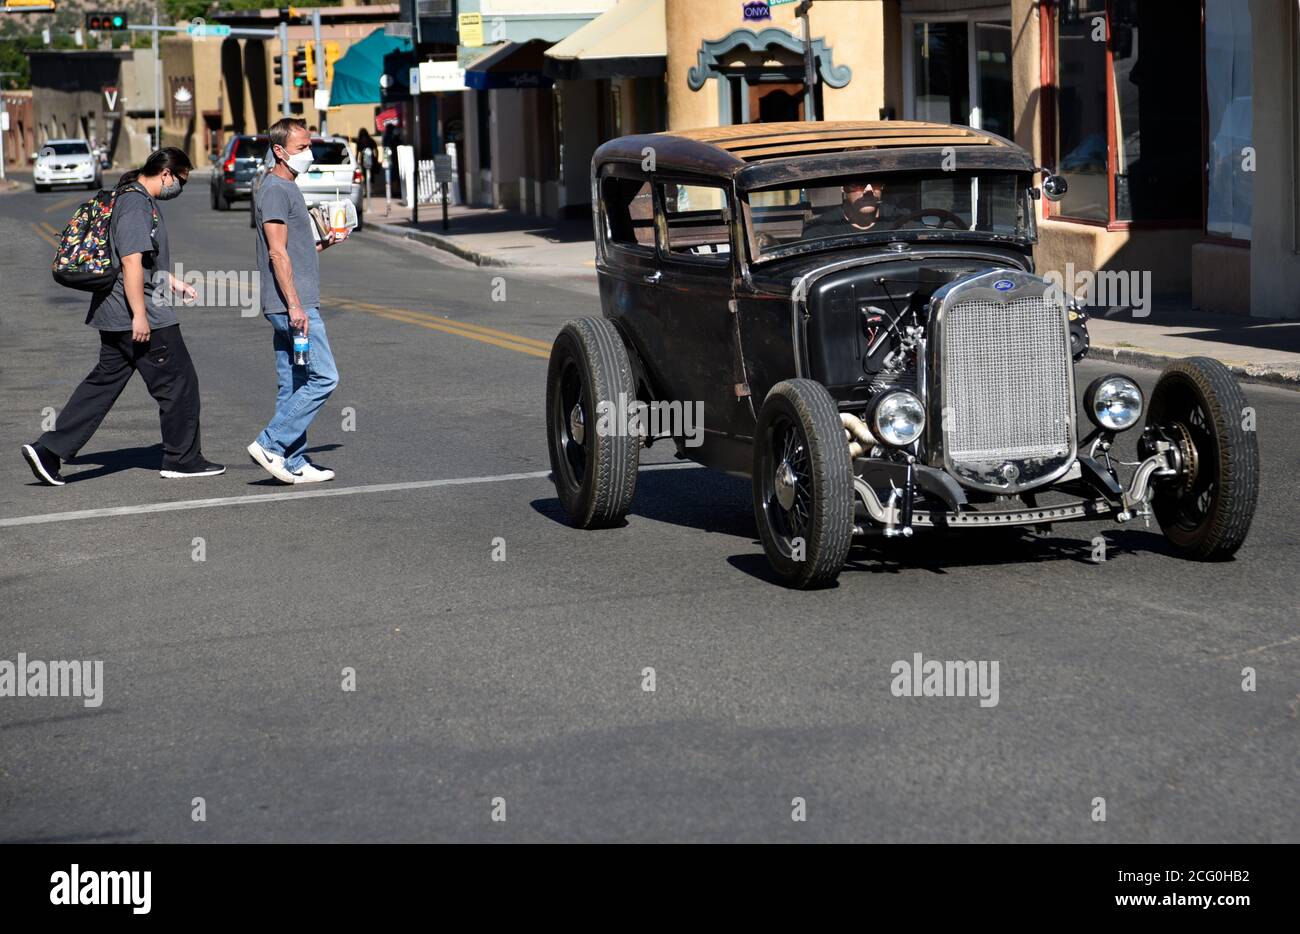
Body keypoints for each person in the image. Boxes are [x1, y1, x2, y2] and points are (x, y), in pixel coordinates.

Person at [22, 147, 224, 486]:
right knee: (179, 384)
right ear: (166, 174)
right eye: (181, 181)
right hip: (138, 315)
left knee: (102, 385)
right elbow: (130, 261)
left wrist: (170, 280)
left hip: (113, 312)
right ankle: (182, 459)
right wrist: (140, 316)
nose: (179, 189)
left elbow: (139, 260)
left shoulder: (128, 198)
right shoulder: (135, 203)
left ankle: (48, 451)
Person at [246, 117, 348, 485]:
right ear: (279, 150)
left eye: (309, 146)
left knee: (294, 381)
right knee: (325, 377)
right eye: (302, 147)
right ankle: (270, 443)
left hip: (293, 303)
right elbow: (277, 253)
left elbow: (293, 248)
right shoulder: (274, 189)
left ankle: (293, 460)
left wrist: (325, 242)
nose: (309, 154)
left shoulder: (288, 188)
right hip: (292, 305)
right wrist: (295, 307)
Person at [802, 179, 903, 239]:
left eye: (875, 181)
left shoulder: (903, 222)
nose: (869, 190)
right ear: (843, 187)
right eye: (858, 182)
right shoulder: (819, 231)